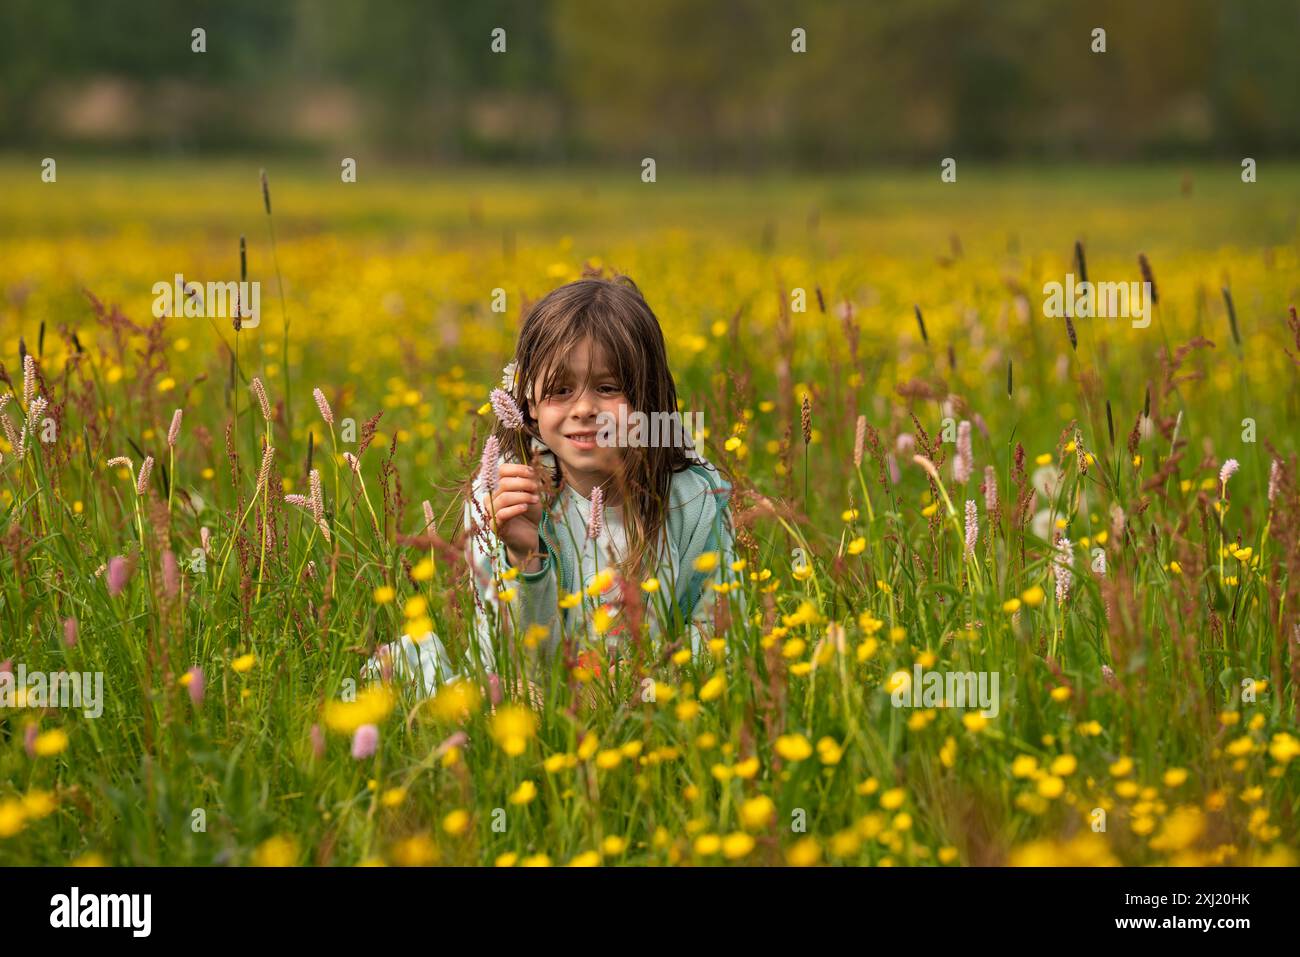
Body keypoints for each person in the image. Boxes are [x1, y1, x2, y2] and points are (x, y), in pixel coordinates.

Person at [366, 274, 745, 703]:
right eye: (561, 390)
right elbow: (511, 660)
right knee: (451, 683)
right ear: (528, 401)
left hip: (647, 693)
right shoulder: (503, 499)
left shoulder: (695, 498)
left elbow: (721, 629)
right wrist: (525, 558)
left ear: (648, 397)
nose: (584, 408)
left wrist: (658, 680)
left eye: (607, 388)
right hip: (534, 689)